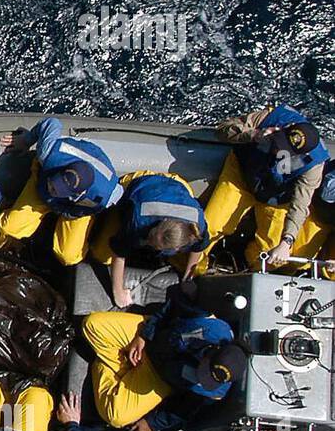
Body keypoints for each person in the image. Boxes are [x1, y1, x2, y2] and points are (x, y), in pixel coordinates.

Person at [82, 280, 246, 431]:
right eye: (205, 369)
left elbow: (184, 409)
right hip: (150, 340)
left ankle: (105, 363)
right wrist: (144, 336)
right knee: (91, 324)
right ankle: (120, 369)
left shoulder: (215, 392)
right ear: (214, 349)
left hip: (157, 378)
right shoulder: (208, 323)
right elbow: (172, 305)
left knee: (115, 417)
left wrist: (152, 423)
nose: (202, 376)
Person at [188, 106, 329, 273]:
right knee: (210, 225)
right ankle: (191, 273)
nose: (277, 148)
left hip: (275, 197)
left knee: (272, 250)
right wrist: (253, 134)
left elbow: (300, 205)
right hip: (240, 176)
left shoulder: (313, 166)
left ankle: (245, 270)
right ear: (284, 128)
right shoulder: (270, 117)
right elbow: (223, 130)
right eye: (279, 141)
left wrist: (287, 241)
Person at [0, 117, 124, 265]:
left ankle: (87, 242)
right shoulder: (50, 153)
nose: (53, 189)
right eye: (54, 184)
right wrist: (27, 140)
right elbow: (52, 123)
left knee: (68, 256)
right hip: (41, 189)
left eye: (58, 190)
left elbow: (120, 199)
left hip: (75, 211)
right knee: (10, 227)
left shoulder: (105, 196)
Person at [87, 171, 208, 307]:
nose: (149, 242)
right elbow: (119, 253)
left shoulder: (197, 226)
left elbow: (199, 247)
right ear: (163, 222)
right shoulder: (139, 220)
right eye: (151, 237)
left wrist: (187, 279)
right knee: (101, 256)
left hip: (178, 186)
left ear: (177, 248)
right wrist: (118, 293)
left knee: (194, 266)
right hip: (141, 183)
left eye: (154, 245)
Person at [285, 162, 335, 279]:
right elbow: (326, 194)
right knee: (299, 259)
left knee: (332, 272)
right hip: (316, 212)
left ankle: (320, 278)